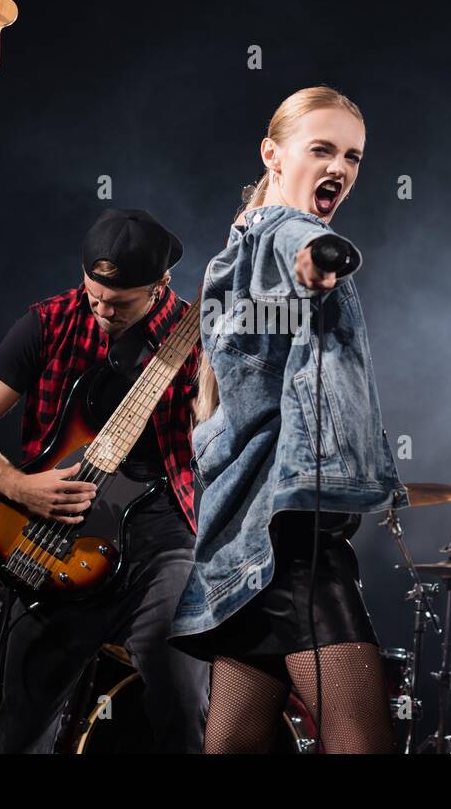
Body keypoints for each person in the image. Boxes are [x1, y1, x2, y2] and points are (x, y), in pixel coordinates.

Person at [170, 85, 408, 754]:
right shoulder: (287, 233)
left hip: (253, 538)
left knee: (234, 743)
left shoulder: (235, 252)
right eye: (322, 149)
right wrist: (309, 273)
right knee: (361, 738)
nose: (340, 168)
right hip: (292, 542)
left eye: (353, 157)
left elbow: (254, 327)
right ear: (272, 155)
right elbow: (292, 272)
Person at [0, 208, 210, 752]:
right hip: (51, 535)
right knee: (20, 733)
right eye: (95, 295)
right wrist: (18, 487)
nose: (104, 310)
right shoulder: (49, 322)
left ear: (162, 285)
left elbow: (229, 436)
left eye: (121, 302)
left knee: (183, 706)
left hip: (161, 543)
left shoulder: (198, 341)